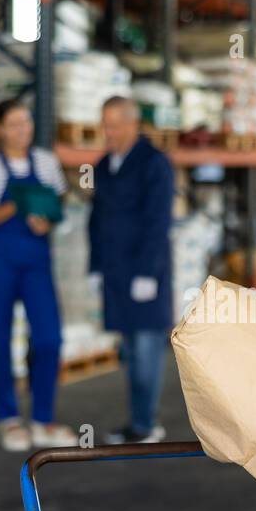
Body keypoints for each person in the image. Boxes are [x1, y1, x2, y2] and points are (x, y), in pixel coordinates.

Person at [0, 99, 78, 451]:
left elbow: (57, 204)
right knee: (0, 338)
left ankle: (43, 418)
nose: (22, 130)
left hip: (36, 260)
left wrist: (46, 218)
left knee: (49, 338)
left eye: (26, 122)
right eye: (14, 124)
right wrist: (18, 204)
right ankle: (9, 419)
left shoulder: (45, 162)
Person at [88, 96, 175, 444]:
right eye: (105, 125)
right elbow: (96, 220)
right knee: (129, 347)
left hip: (143, 271)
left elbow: (158, 220)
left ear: (133, 124)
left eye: (115, 124)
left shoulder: (154, 163)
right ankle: (137, 421)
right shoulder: (103, 165)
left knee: (145, 347)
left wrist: (147, 272)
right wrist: (96, 264)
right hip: (114, 269)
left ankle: (146, 424)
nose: (109, 132)